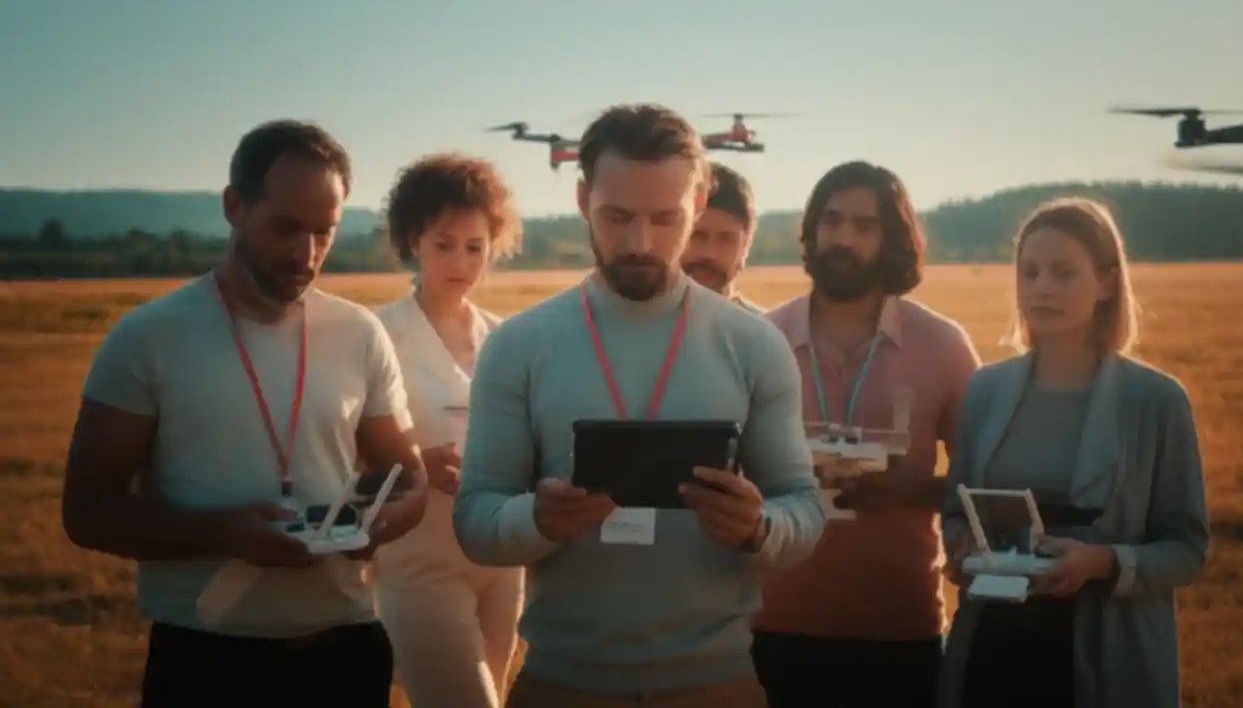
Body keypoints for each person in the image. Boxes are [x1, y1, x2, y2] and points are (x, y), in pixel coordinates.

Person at [452, 103, 825, 707]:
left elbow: (803, 510)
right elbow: (475, 522)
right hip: (563, 683)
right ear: (582, 201)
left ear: (699, 204)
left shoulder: (754, 344)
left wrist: (759, 527)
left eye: (664, 219)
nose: (639, 242)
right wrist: (538, 521)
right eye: (616, 217)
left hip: (716, 683)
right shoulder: (519, 346)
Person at [60, 119, 433, 707]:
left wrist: (389, 520)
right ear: (235, 206)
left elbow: (406, 473)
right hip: (209, 660)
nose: (306, 255)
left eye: (324, 232)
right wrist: (221, 534)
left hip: (348, 648)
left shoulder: (359, 333)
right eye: (286, 228)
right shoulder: (146, 339)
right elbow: (85, 511)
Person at [937, 198, 1210, 708]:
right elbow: (956, 515)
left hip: (1107, 662)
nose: (1042, 287)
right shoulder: (986, 390)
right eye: (1030, 272)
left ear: (1106, 282)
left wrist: (1101, 562)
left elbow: (1187, 549)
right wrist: (962, 551)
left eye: (1063, 273)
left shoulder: (1155, 400)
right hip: (992, 653)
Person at [750, 161, 981, 707]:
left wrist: (908, 492)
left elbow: (985, 484)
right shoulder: (760, 340)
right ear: (811, 230)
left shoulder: (943, 346)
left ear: (895, 239)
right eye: (831, 220)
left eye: (864, 225)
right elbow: (722, 468)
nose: (843, 238)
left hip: (900, 634)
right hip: (768, 629)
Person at [369, 153, 525, 707]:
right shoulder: (378, 335)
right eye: (444, 244)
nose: (461, 260)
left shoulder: (506, 339)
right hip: (418, 565)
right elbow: (337, 454)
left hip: (502, 564)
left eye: (475, 246)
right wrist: (415, 463)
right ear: (414, 241)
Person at [679, 161, 765, 313]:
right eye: (696, 235)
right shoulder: (632, 329)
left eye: (726, 239)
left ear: (745, 245)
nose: (709, 253)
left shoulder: (765, 333)